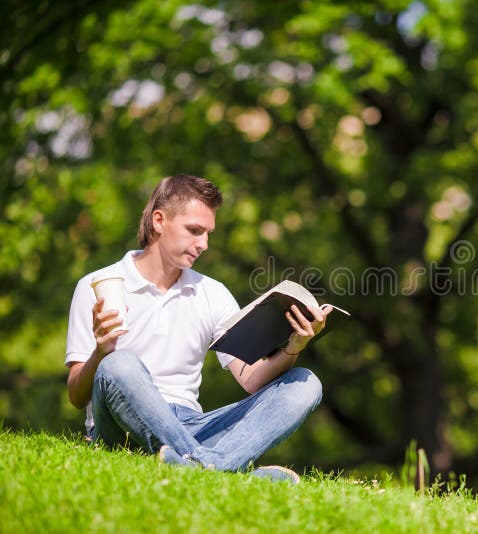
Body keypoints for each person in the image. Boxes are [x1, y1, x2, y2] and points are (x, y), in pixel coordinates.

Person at [65, 174, 331, 482]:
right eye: (194, 231)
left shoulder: (212, 293)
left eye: (208, 234)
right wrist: (101, 353)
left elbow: (250, 378)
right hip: (118, 425)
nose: (203, 244)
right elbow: (76, 395)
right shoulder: (95, 285)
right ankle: (224, 471)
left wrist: (292, 348)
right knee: (118, 364)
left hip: (191, 424)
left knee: (305, 383)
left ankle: (199, 465)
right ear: (159, 221)